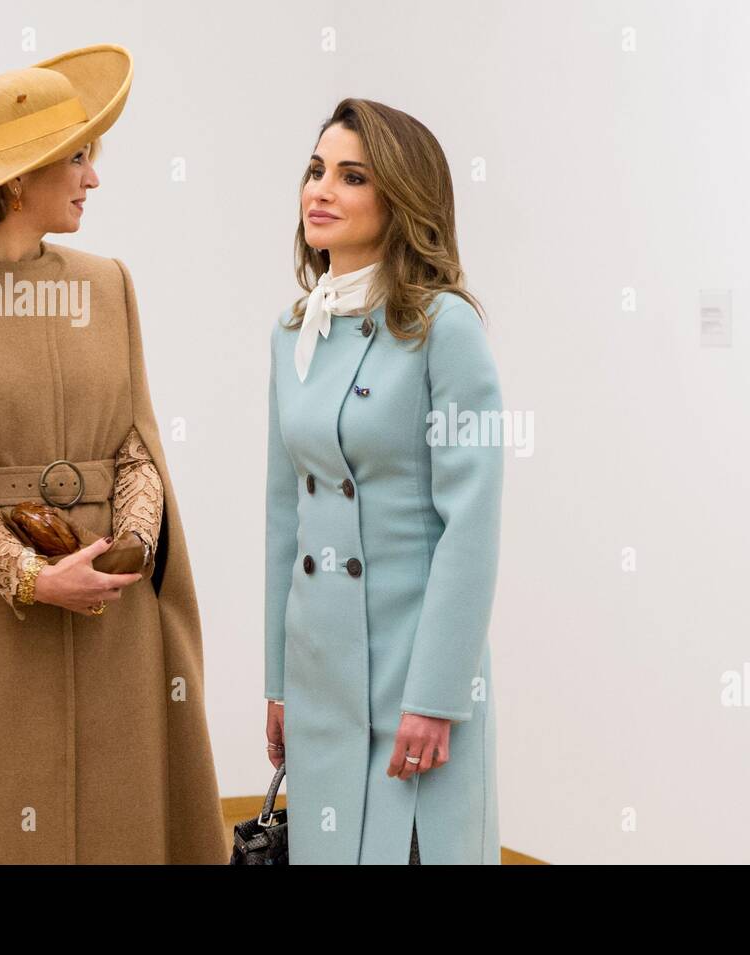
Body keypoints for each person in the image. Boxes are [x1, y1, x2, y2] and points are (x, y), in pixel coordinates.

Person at [0, 44, 227, 863]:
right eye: (78, 157)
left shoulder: (110, 283)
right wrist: (30, 577)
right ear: (18, 178)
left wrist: (127, 549)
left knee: (121, 821)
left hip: (114, 617)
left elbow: (138, 446)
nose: (93, 177)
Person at [264, 98, 504, 864]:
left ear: (400, 200)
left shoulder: (444, 328)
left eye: (351, 176)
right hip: (321, 679)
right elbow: (282, 517)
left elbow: (472, 525)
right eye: (315, 170)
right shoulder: (294, 332)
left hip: (415, 684)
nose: (320, 190)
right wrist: (277, 679)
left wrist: (438, 695)